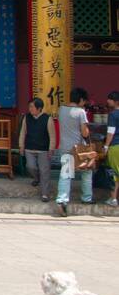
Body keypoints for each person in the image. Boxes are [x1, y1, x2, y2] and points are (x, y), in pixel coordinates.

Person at [55, 87, 93, 216]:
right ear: (81, 100)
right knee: (87, 172)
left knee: (65, 174)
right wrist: (87, 130)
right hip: (79, 149)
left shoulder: (61, 110)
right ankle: (87, 198)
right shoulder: (80, 112)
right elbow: (84, 132)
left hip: (65, 147)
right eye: (84, 101)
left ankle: (62, 201)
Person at [18, 97, 55, 203]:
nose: (30, 109)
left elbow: (52, 135)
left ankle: (45, 194)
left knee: (45, 171)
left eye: (32, 107)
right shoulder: (27, 117)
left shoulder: (47, 119)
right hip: (29, 148)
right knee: (30, 166)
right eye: (29, 106)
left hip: (43, 149)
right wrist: (21, 146)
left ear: (39, 108)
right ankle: (36, 178)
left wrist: (51, 148)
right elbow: (22, 132)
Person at [104, 91, 119, 208]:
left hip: (115, 146)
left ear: (116, 102)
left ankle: (113, 198)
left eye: (110, 99)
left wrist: (106, 146)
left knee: (113, 173)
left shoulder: (113, 114)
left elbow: (110, 132)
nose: (108, 101)